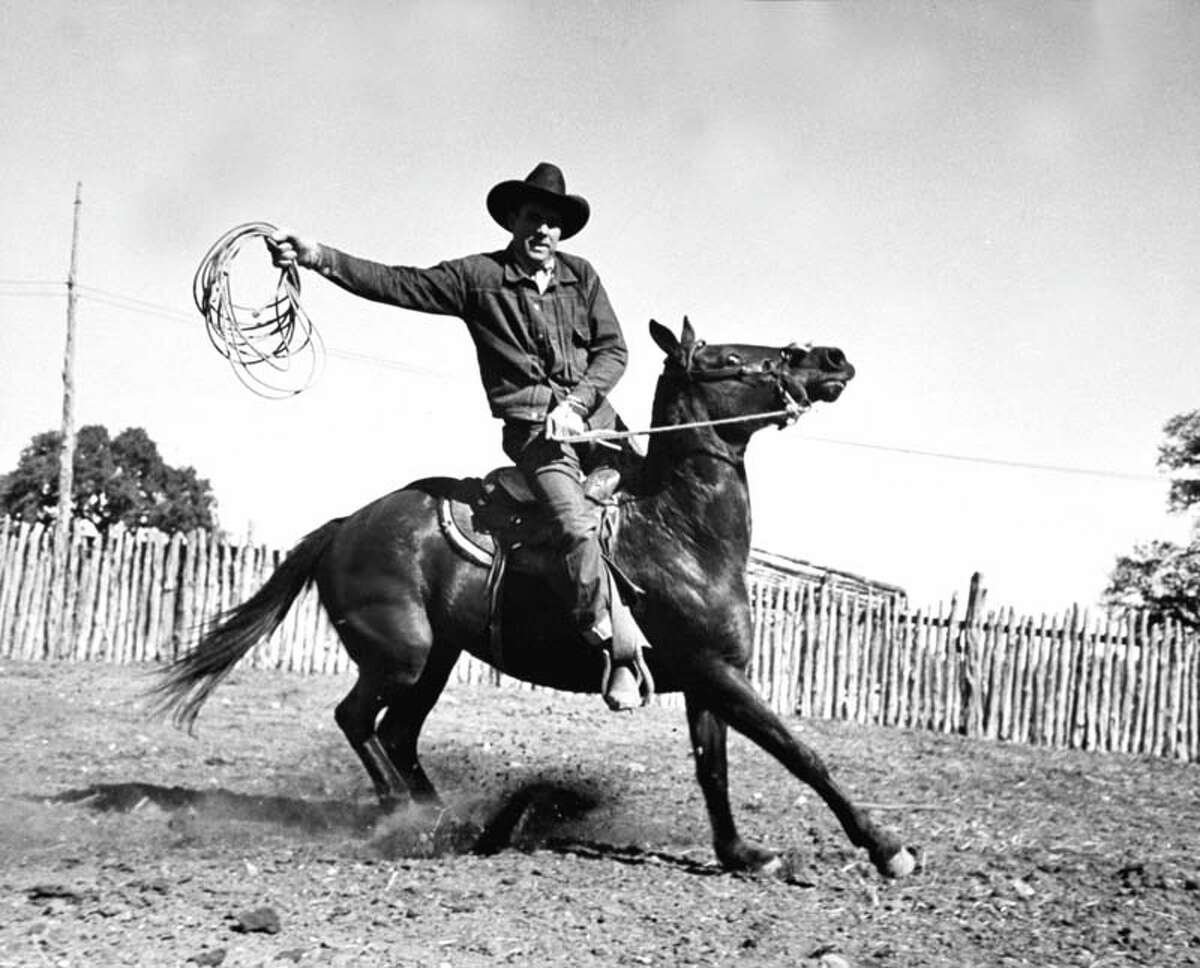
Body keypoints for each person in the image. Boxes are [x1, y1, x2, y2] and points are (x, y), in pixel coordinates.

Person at [267, 162, 645, 710]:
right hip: (538, 441)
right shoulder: (476, 278)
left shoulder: (582, 276)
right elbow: (398, 284)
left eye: (554, 224)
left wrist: (578, 402)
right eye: (534, 219)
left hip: (601, 427)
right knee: (575, 525)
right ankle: (614, 651)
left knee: (661, 501)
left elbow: (614, 351)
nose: (544, 232)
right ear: (514, 220)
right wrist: (317, 256)